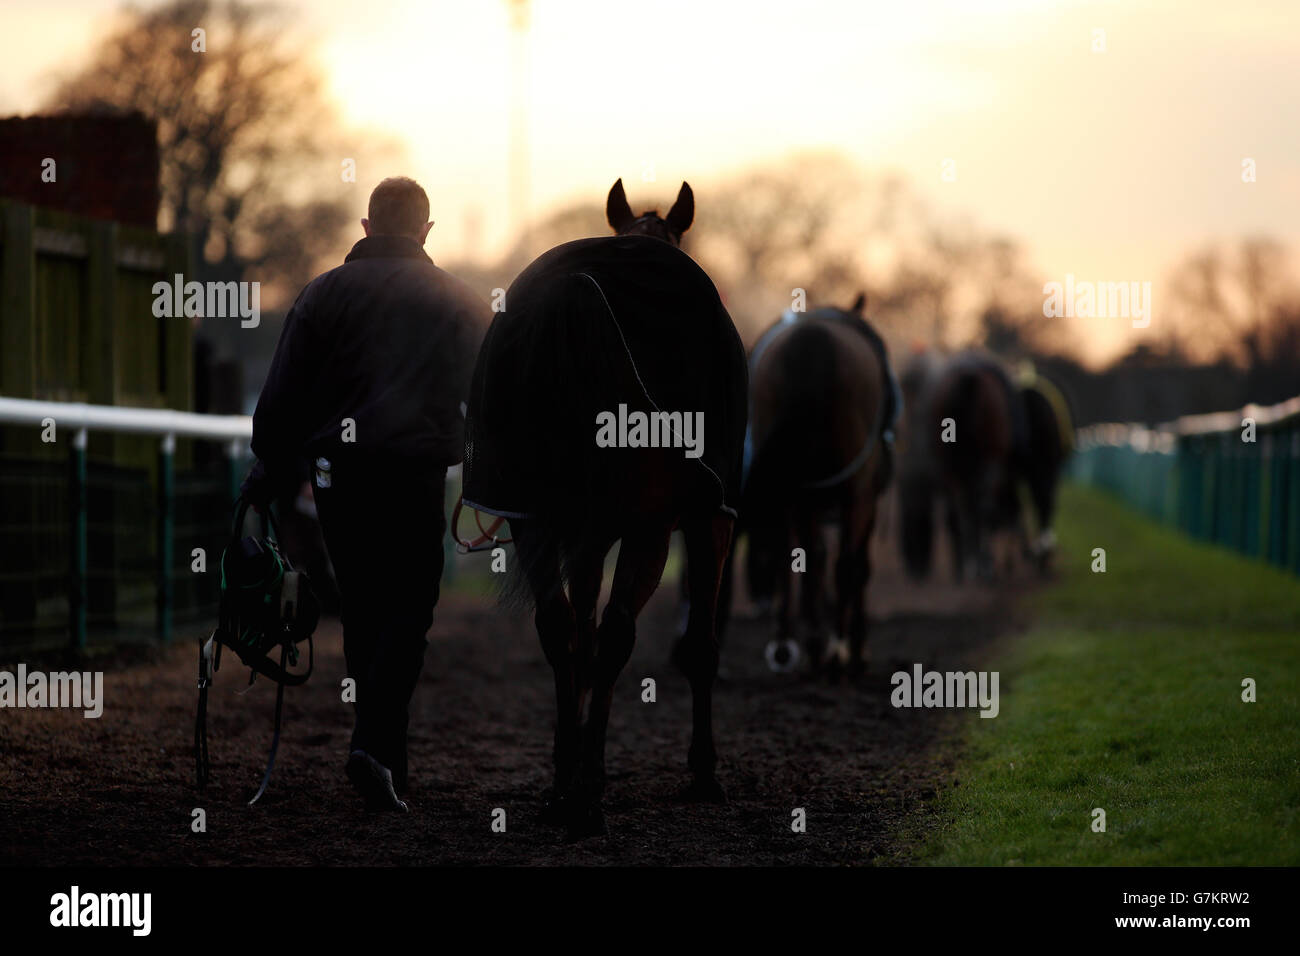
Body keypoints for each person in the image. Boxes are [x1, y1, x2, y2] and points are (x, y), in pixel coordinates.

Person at [243, 177, 487, 812]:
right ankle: (377, 749)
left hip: (338, 479)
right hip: (414, 476)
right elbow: (490, 401)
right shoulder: (459, 300)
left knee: (362, 607)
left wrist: (267, 472)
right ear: (427, 231)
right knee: (409, 612)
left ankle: (381, 755)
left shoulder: (321, 294)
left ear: (366, 226)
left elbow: (279, 404)